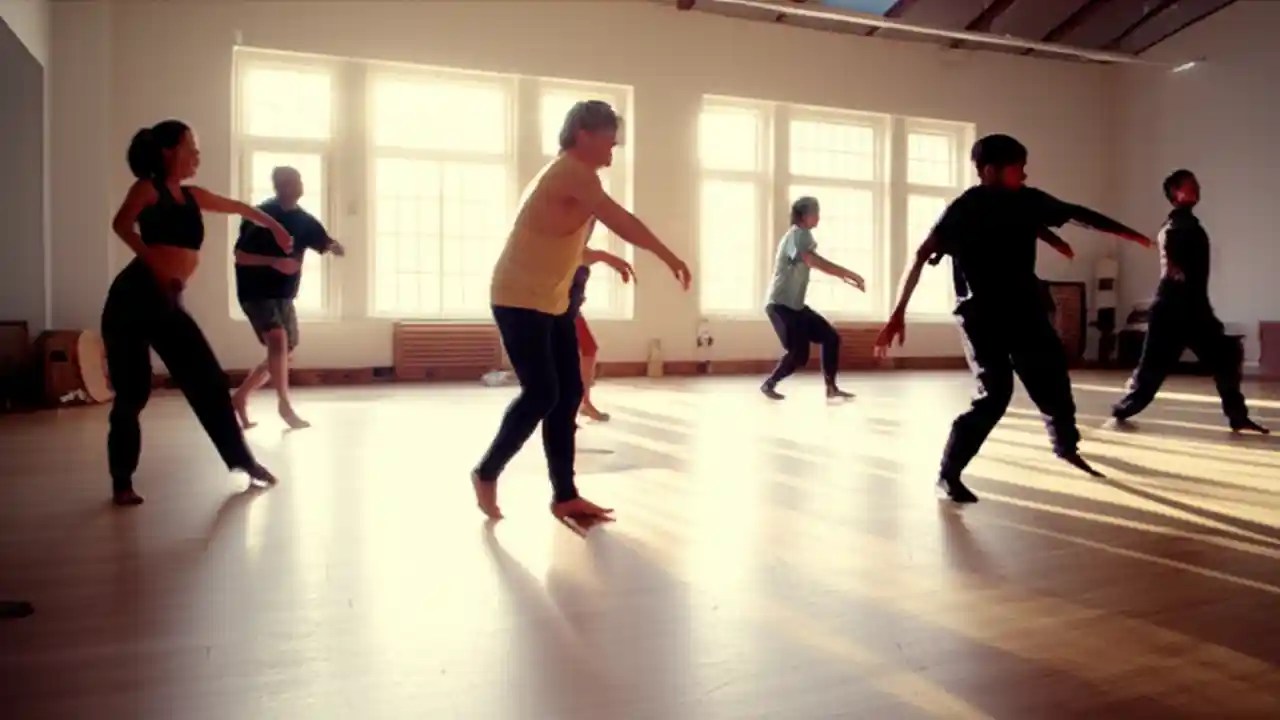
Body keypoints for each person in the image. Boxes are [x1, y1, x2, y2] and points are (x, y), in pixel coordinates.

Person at [875, 134, 1152, 504]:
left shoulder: (1026, 200)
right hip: (981, 317)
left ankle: (1066, 447)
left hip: (1025, 310)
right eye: (1017, 166)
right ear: (990, 171)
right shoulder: (964, 209)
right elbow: (922, 255)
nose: (1024, 171)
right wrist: (897, 313)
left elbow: (1076, 214)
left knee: (1051, 376)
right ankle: (949, 473)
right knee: (996, 394)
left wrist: (1126, 234)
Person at [473, 100, 691, 523]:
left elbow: (571, 240)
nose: (614, 151)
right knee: (542, 393)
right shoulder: (571, 172)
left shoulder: (577, 175)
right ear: (585, 136)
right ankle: (486, 472)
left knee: (568, 392)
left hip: (550, 300)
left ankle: (565, 495)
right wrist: (668, 256)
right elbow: (620, 220)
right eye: (610, 141)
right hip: (519, 297)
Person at [104, 119, 288, 506]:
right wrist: (154, 262)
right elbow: (121, 224)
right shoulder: (148, 189)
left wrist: (274, 226)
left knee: (207, 380)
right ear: (169, 151)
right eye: (192, 146)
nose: (197, 154)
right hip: (131, 299)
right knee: (133, 393)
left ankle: (243, 461)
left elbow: (236, 207)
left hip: (166, 299)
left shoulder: (192, 196)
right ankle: (122, 480)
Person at [1110, 170, 1269, 434]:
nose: (1195, 188)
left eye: (1196, 184)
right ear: (1175, 194)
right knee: (1151, 370)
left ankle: (1238, 416)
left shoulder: (1189, 225)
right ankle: (1122, 410)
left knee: (1226, 358)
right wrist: (1175, 269)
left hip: (1195, 310)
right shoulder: (1173, 227)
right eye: (1188, 186)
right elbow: (1169, 255)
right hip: (1171, 311)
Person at [230, 166, 346, 430]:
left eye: (299, 179)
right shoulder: (261, 216)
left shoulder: (305, 220)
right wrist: (275, 262)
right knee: (278, 340)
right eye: (292, 181)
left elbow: (323, 241)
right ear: (280, 186)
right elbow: (241, 256)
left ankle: (240, 396)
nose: (298, 185)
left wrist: (335, 247)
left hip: (284, 295)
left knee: (283, 351)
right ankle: (284, 405)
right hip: (255, 291)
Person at [761, 196, 865, 400]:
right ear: (805, 216)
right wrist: (848, 274)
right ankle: (769, 384)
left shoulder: (798, 236)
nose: (819, 216)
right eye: (816, 212)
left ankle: (831, 388)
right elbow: (813, 261)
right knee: (799, 355)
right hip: (781, 306)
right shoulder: (800, 234)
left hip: (796, 308)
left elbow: (808, 260)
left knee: (830, 337)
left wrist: (844, 276)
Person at [571, 232, 636, 423]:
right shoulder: (561, 252)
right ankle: (575, 405)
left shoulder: (587, 253)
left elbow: (607, 258)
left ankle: (584, 402)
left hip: (572, 311)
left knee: (588, 349)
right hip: (558, 310)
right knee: (572, 354)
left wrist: (623, 269)